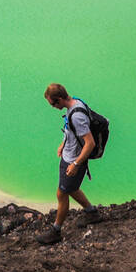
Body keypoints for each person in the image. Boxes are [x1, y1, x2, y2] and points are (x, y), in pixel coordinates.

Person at [37, 82, 100, 244]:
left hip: (74, 160)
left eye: (52, 103)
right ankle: (91, 212)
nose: (52, 107)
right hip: (68, 156)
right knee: (71, 189)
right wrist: (63, 143)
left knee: (62, 193)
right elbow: (70, 128)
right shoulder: (75, 103)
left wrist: (76, 164)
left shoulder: (77, 116)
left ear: (59, 99)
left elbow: (90, 143)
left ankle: (56, 231)